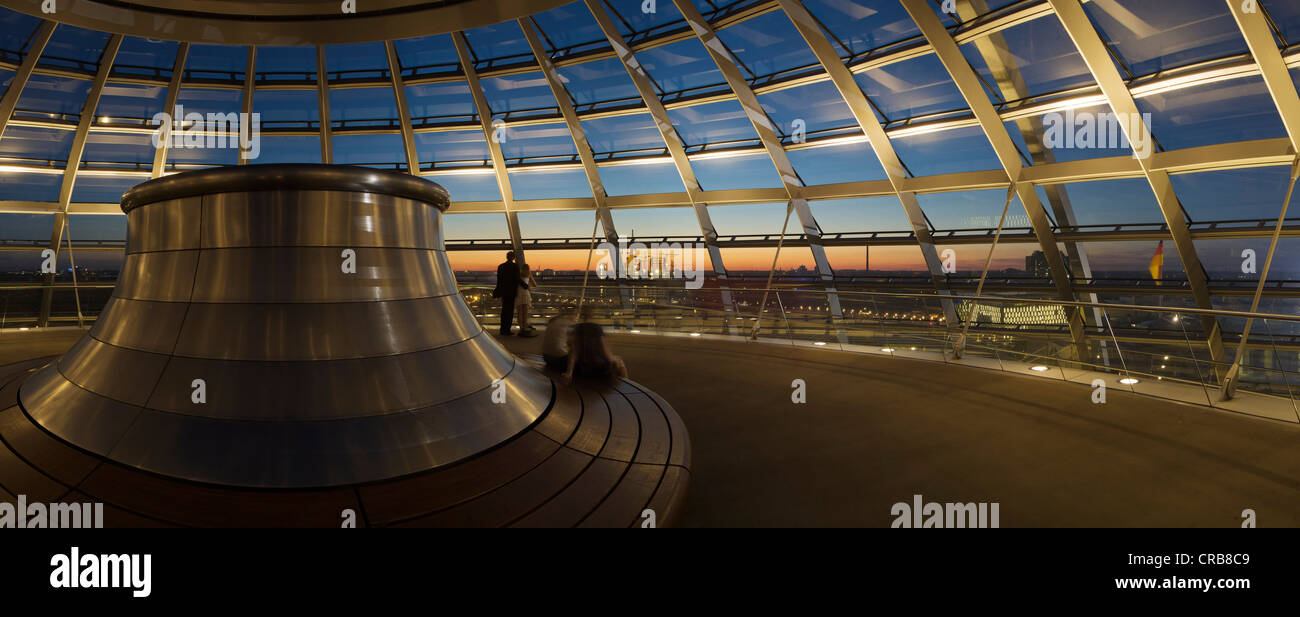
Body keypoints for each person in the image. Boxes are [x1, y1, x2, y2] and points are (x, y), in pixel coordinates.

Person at [492, 251, 520, 335]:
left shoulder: (501, 266)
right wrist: (526, 286)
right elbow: (517, 279)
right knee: (509, 311)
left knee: (504, 310)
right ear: (513, 257)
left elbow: (499, 280)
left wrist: (498, 290)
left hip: (503, 291)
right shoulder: (515, 266)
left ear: (507, 257)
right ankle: (507, 329)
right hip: (511, 292)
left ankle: (502, 329)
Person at [541, 306, 576, 371]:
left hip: (546, 357)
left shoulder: (553, 321)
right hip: (559, 360)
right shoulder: (570, 324)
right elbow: (573, 348)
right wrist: (569, 372)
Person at [515, 263, 539, 336]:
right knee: (525, 312)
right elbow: (535, 284)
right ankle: (524, 327)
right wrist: (529, 286)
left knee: (519, 312)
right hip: (525, 293)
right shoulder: (529, 275)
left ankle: (521, 328)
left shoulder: (518, 275)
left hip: (518, 293)